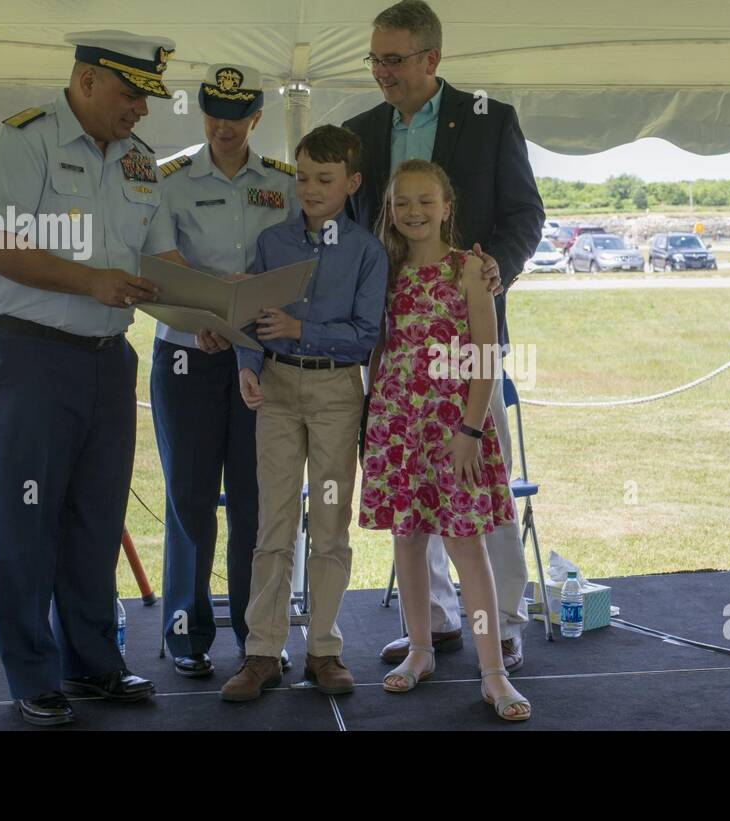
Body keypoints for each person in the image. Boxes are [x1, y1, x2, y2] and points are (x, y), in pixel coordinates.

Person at [0, 30, 184, 726]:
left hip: (109, 361)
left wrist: (220, 307)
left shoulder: (143, 163)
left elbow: (161, 262)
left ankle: (92, 664)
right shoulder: (20, 140)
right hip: (28, 356)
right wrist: (91, 280)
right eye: (129, 93)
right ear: (86, 80)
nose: (141, 110)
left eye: (147, 96)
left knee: (95, 519)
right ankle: (32, 671)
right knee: (26, 519)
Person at [343, 0, 543, 671]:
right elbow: (347, 235)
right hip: (396, 355)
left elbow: (525, 213)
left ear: (432, 58)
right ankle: (430, 626)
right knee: (412, 508)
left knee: (482, 492)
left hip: (466, 342)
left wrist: (495, 271)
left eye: (392, 59)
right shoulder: (359, 131)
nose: (380, 72)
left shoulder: (491, 120)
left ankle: (506, 619)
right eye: (373, 58)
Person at [218, 124, 388, 701]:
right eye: (303, 177)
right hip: (278, 393)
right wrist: (247, 360)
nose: (310, 188)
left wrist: (301, 328)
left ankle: (325, 649)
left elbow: (367, 336)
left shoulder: (368, 251)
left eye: (325, 179)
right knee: (274, 523)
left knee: (332, 525)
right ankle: (262, 652)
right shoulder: (272, 243)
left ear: (352, 182)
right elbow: (246, 311)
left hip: (339, 395)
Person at [359, 159, 529, 721]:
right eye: (402, 202)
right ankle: (421, 649)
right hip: (397, 426)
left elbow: (484, 357)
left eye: (425, 201)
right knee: (407, 540)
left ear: (447, 207)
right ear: (389, 209)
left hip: (456, 427)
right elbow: (381, 350)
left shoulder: (470, 269)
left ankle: (493, 672)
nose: (414, 212)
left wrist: (470, 431)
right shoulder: (384, 270)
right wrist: (373, 426)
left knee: (467, 547)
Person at [150, 64, 300, 679]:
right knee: (189, 499)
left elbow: (297, 261)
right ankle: (187, 634)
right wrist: (210, 306)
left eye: (236, 117)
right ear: (201, 114)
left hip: (259, 360)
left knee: (254, 501)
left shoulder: (284, 184)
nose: (224, 126)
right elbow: (163, 261)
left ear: (256, 119)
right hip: (187, 354)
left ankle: (256, 633)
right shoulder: (170, 180)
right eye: (214, 114)